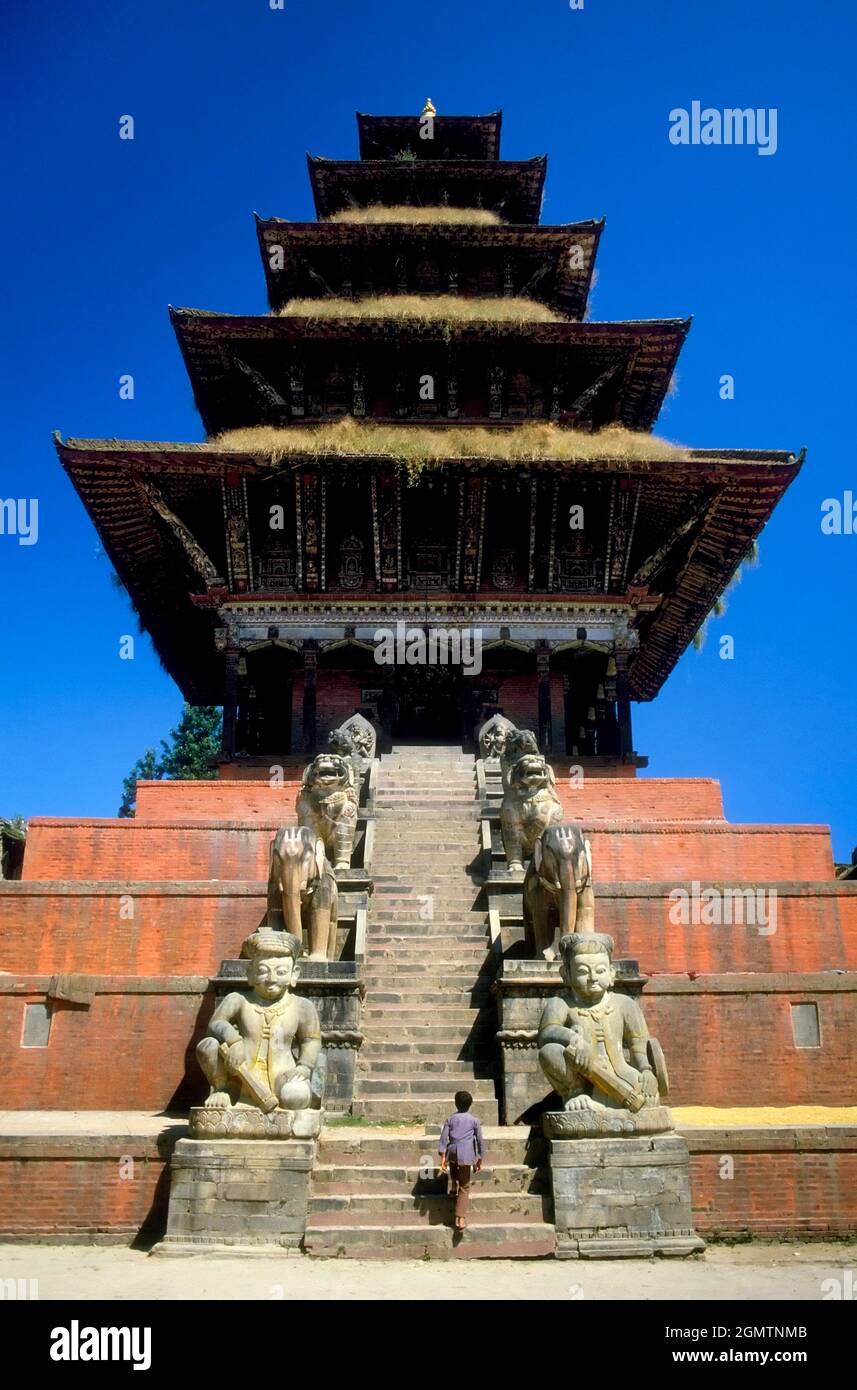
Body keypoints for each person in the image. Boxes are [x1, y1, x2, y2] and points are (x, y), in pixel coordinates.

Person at [438, 1091, 485, 1231]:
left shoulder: (450, 1119)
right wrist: (480, 1158)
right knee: (464, 1186)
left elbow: (443, 1138)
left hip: (452, 1150)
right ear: (470, 1105)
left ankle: (453, 1185)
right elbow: (480, 1140)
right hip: (466, 1153)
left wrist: (443, 1158)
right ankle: (460, 1218)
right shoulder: (474, 1120)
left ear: (455, 1103)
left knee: (453, 1163)